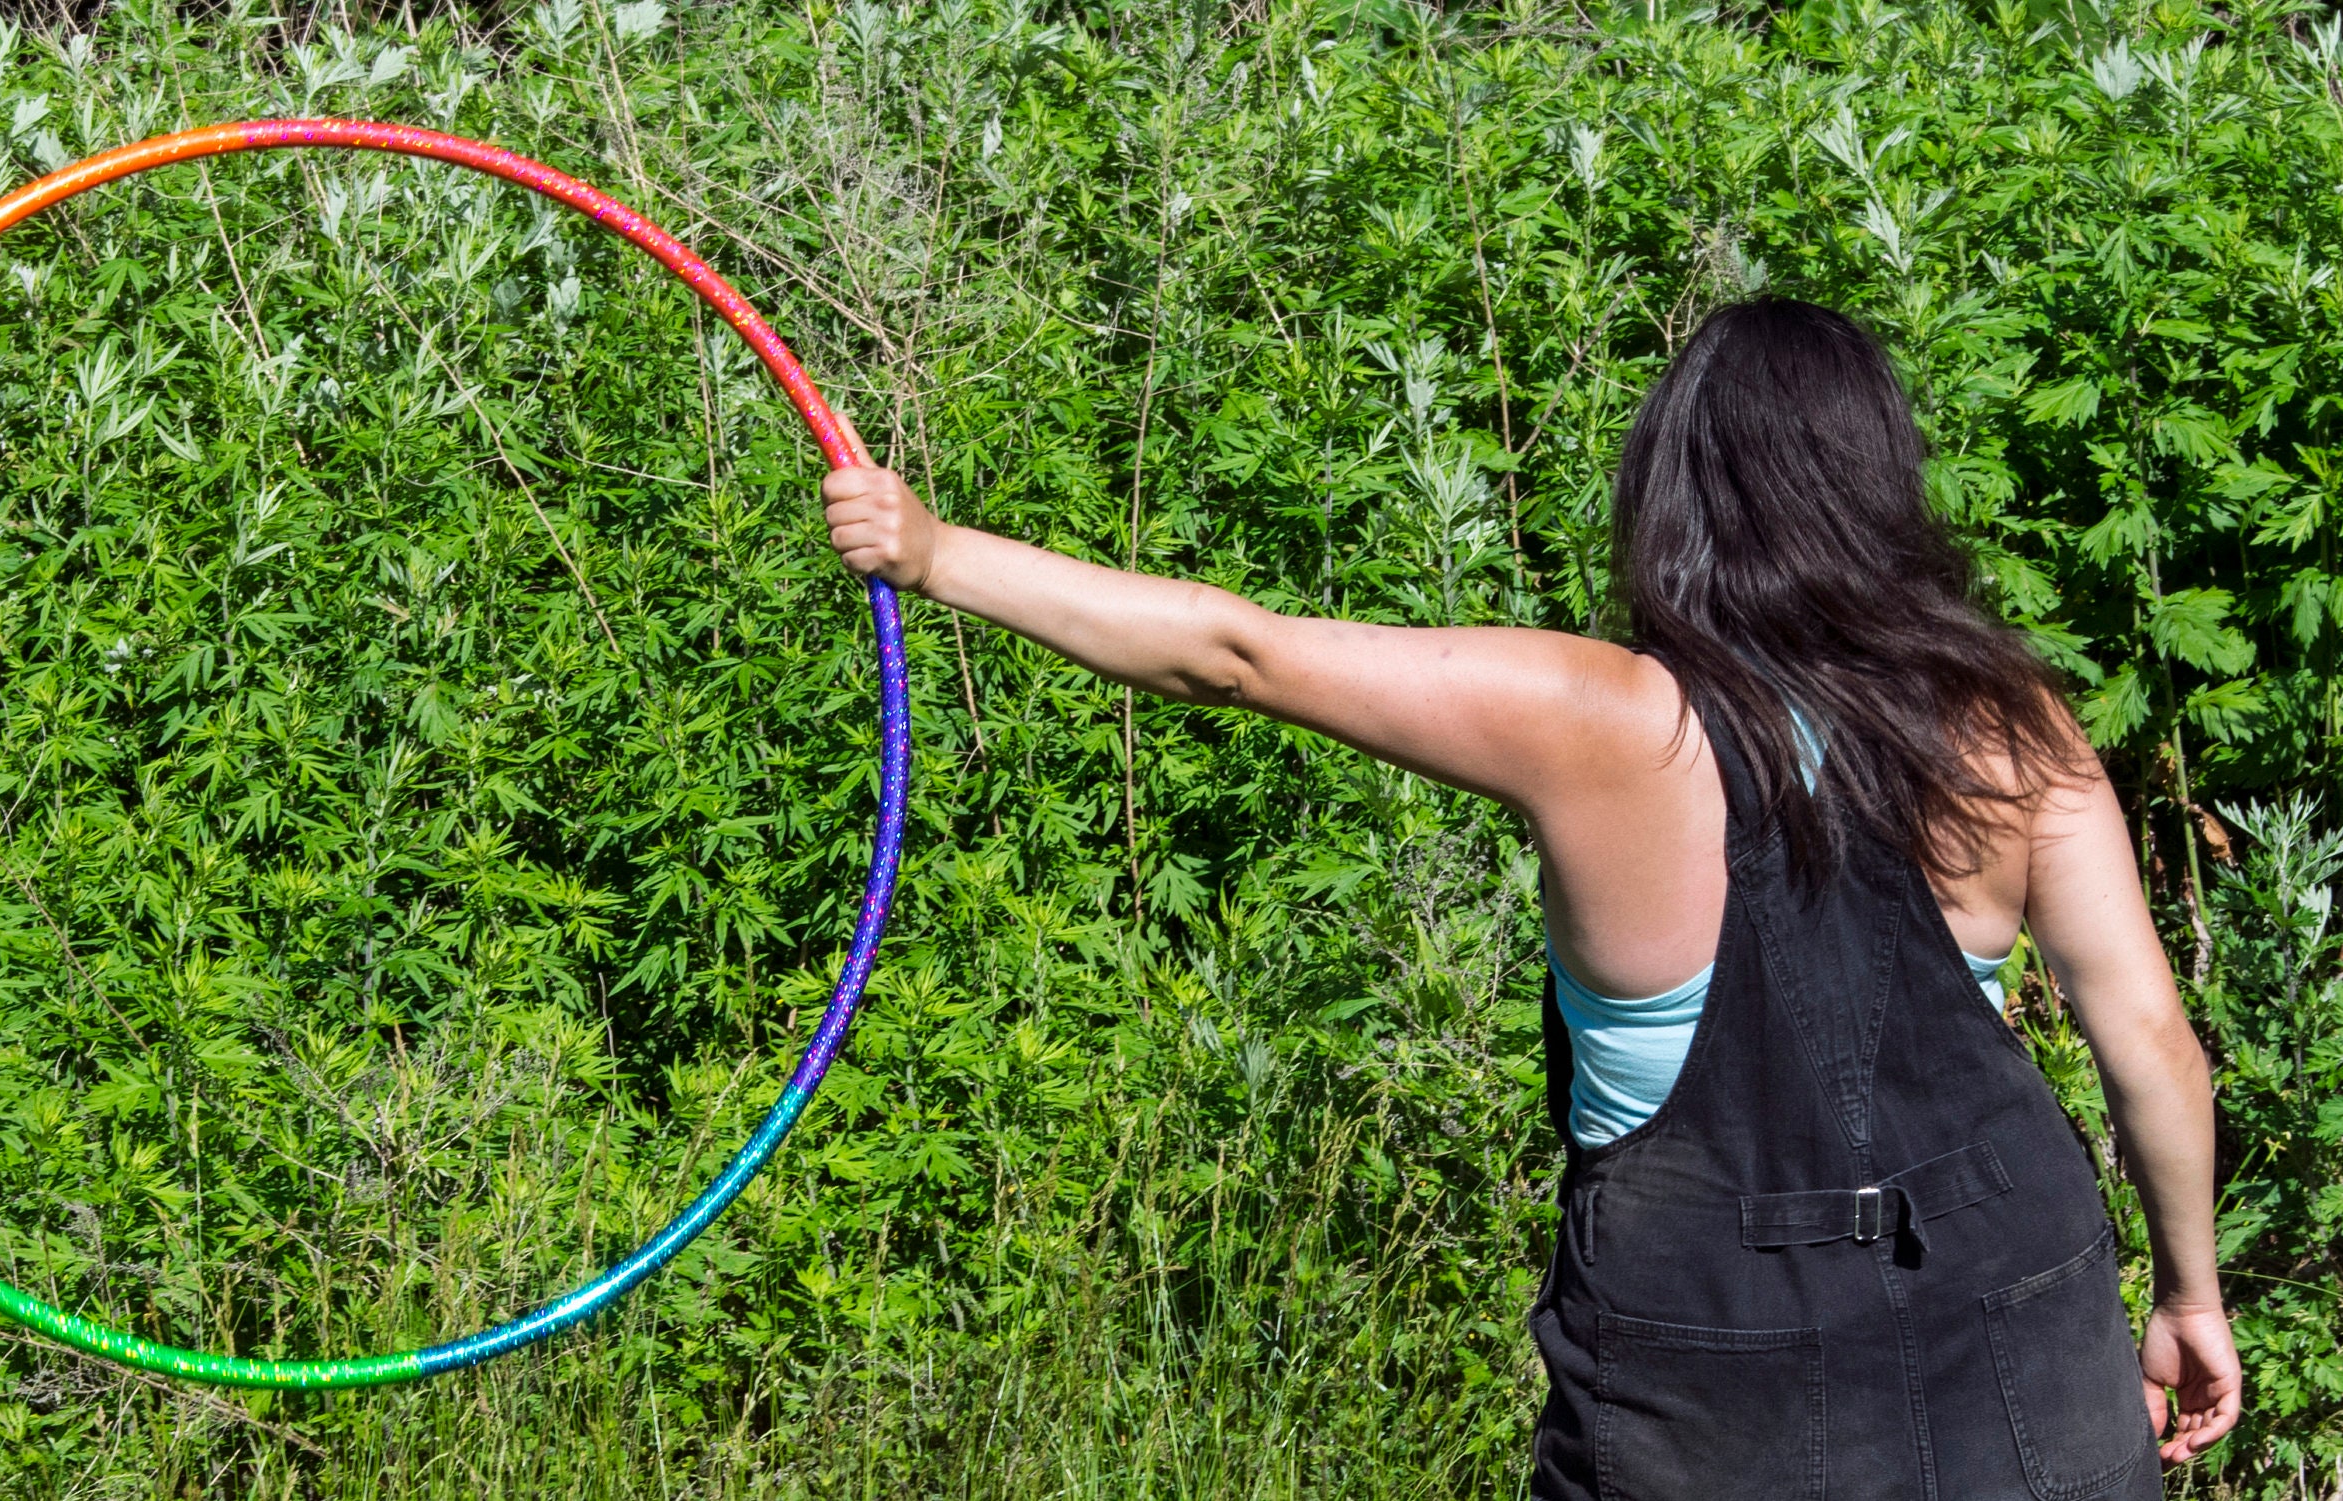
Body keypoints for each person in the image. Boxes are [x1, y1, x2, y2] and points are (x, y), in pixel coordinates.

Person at [818, 298, 2239, 1498]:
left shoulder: (1604, 723)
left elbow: (1236, 651)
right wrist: (2191, 1295)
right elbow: (2152, 1042)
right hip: (2023, 1352)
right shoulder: (2007, 726)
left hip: (1714, 1394)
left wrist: (940, 555)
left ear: (1677, 494)